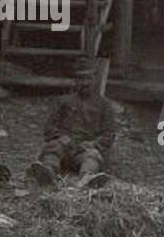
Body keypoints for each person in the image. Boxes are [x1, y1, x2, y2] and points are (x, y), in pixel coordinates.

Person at [27, 57, 115, 188]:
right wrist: (62, 138)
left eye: (88, 78)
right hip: (65, 149)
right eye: (81, 79)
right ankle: (48, 173)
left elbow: (109, 134)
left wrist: (92, 143)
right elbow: (49, 128)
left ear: (95, 79)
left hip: (85, 150)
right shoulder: (64, 102)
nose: (85, 83)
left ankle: (86, 178)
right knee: (53, 148)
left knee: (92, 157)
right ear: (75, 81)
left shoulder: (104, 105)